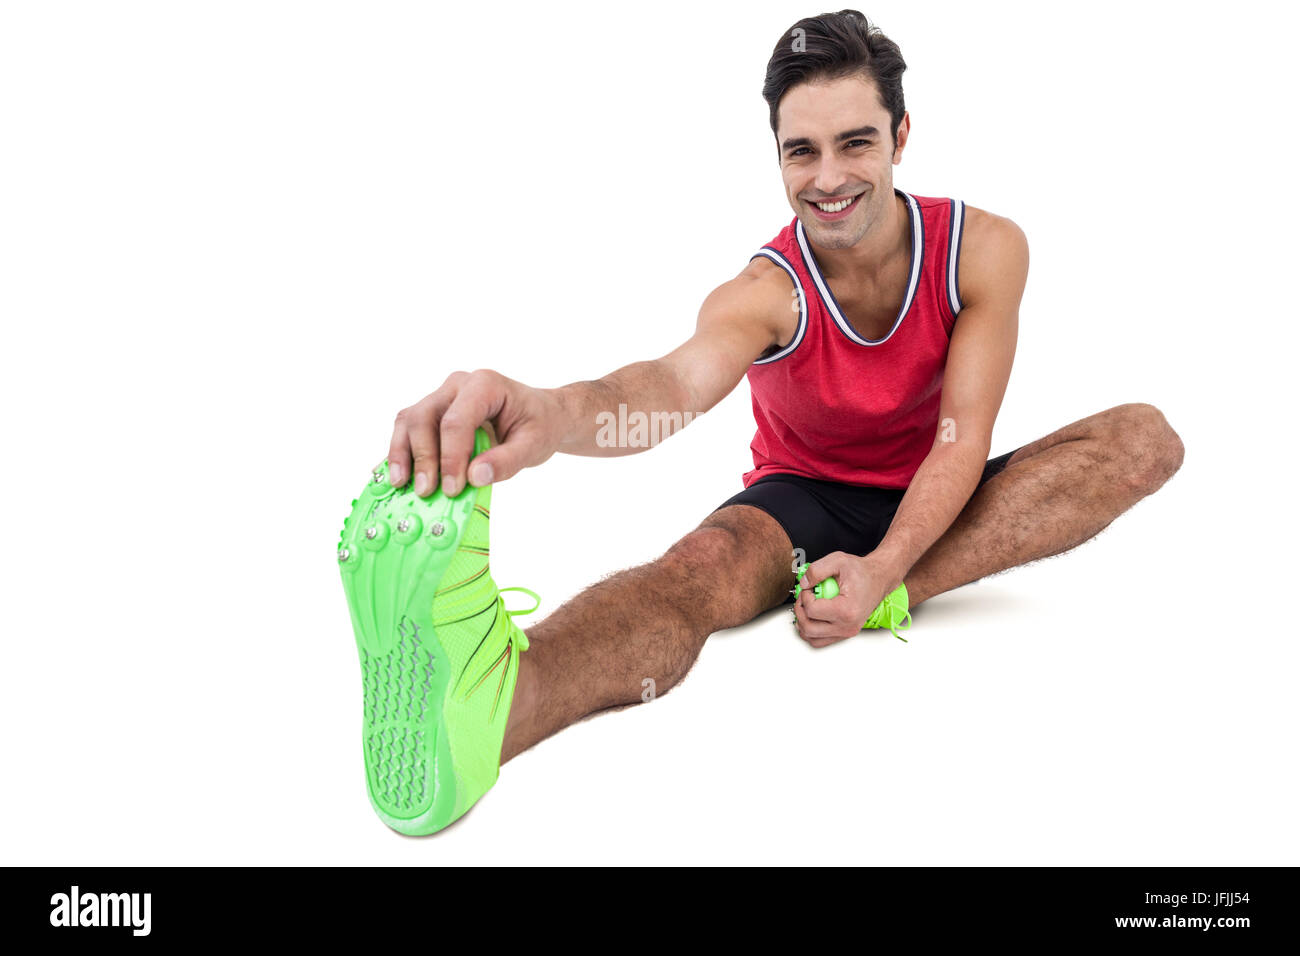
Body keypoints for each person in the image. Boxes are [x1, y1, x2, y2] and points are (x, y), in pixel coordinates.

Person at [340, 10, 1184, 834]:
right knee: (697, 570)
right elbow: (667, 385)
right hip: (803, 502)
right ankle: (498, 704)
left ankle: (890, 593)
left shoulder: (983, 247)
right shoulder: (764, 293)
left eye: (856, 141)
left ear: (901, 135)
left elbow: (961, 435)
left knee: (1143, 440)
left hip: (943, 479)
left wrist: (890, 572)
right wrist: (552, 414)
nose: (828, 177)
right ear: (777, 156)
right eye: (801, 151)